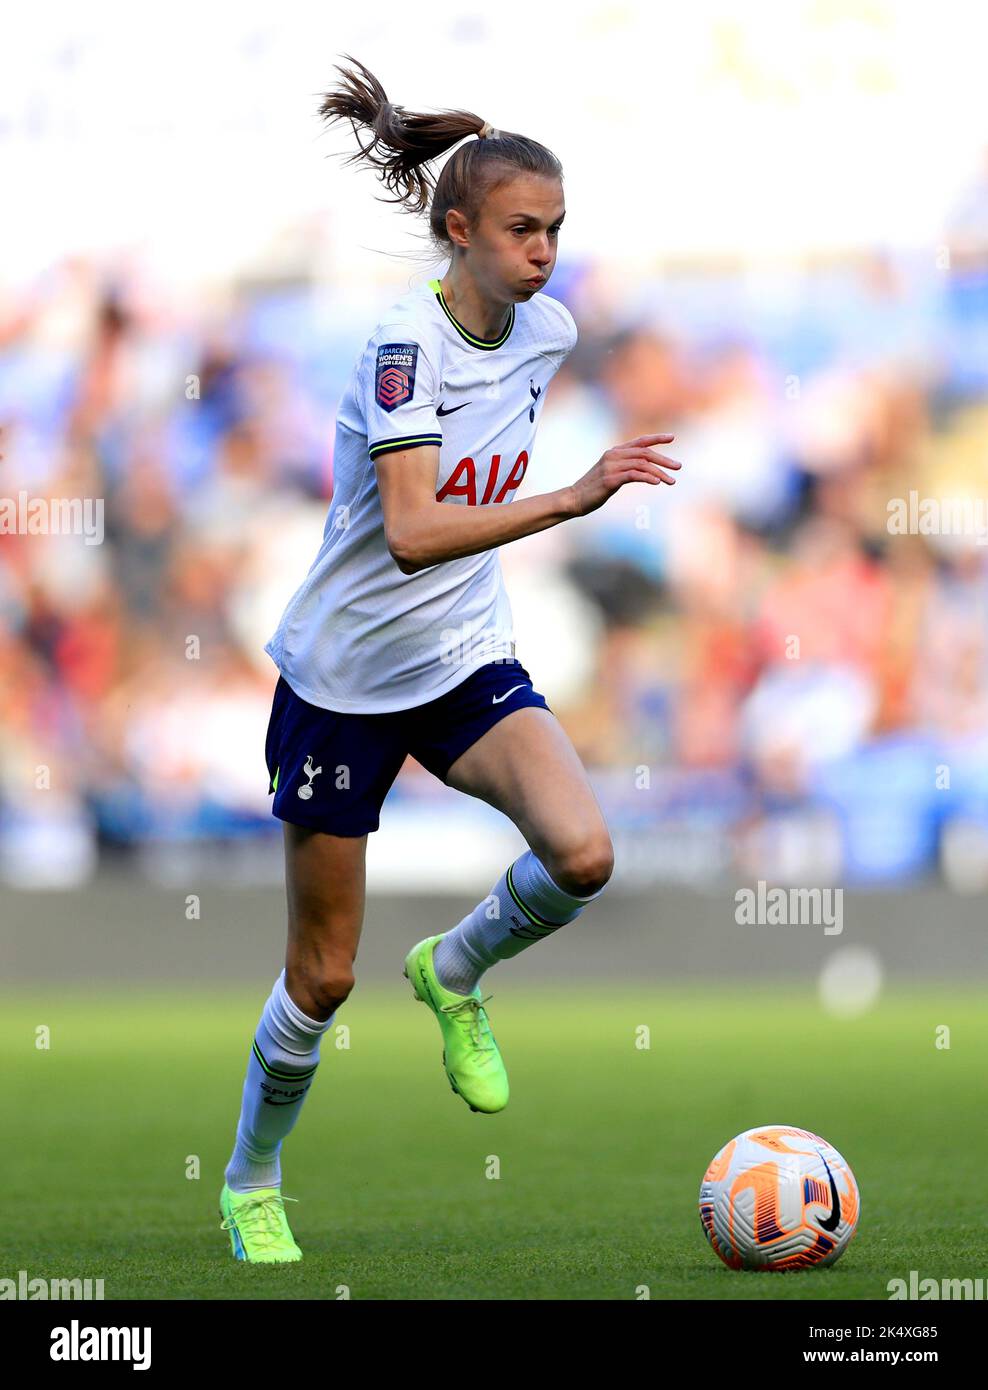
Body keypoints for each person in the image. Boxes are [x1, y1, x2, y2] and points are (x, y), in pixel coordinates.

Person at [218, 54, 683, 1263]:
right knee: (321, 979)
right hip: (344, 678)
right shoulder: (398, 349)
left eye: (558, 231)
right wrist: (570, 499)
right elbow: (417, 531)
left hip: (462, 656)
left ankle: (457, 970)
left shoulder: (552, 332)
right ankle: (251, 1178)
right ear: (459, 230)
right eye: (524, 231)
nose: (546, 252)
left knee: (583, 851)